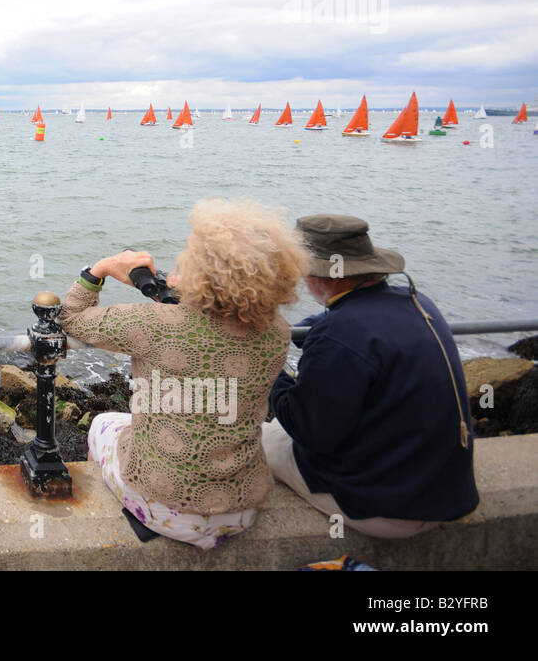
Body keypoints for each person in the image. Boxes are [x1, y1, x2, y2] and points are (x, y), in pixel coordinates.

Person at [58, 198, 308, 549]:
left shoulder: (152, 325)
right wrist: (178, 296)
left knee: (104, 423)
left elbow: (71, 316)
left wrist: (102, 268)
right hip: (240, 511)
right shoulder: (277, 333)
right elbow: (214, 328)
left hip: (162, 506)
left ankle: (114, 515)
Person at [263, 214, 478, 537]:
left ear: (317, 273)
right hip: (447, 492)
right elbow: (346, 325)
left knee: (263, 436)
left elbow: (310, 432)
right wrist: (302, 331)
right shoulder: (417, 302)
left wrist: (270, 369)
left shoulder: (340, 334)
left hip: (387, 511)